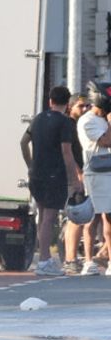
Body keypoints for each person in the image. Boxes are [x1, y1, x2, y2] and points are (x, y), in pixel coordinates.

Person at [20, 85, 82, 276]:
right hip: (54, 175)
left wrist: (30, 164)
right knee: (49, 218)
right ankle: (45, 260)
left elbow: (23, 142)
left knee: (42, 215)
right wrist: (74, 179)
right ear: (67, 103)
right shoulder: (64, 123)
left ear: (50, 101)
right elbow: (66, 151)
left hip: (36, 174)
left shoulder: (38, 119)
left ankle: (44, 256)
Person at [63, 93, 99, 275]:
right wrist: (77, 173)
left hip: (83, 174)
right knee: (76, 218)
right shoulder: (69, 125)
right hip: (77, 177)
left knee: (79, 217)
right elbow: (68, 151)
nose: (84, 109)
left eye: (87, 106)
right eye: (80, 106)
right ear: (70, 107)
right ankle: (70, 259)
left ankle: (73, 258)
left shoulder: (79, 124)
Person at [77, 93, 111, 279]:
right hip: (96, 173)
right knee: (93, 217)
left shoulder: (103, 119)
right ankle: (89, 261)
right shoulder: (87, 121)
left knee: (109, 218)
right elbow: (106, 141)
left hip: (109, 172)